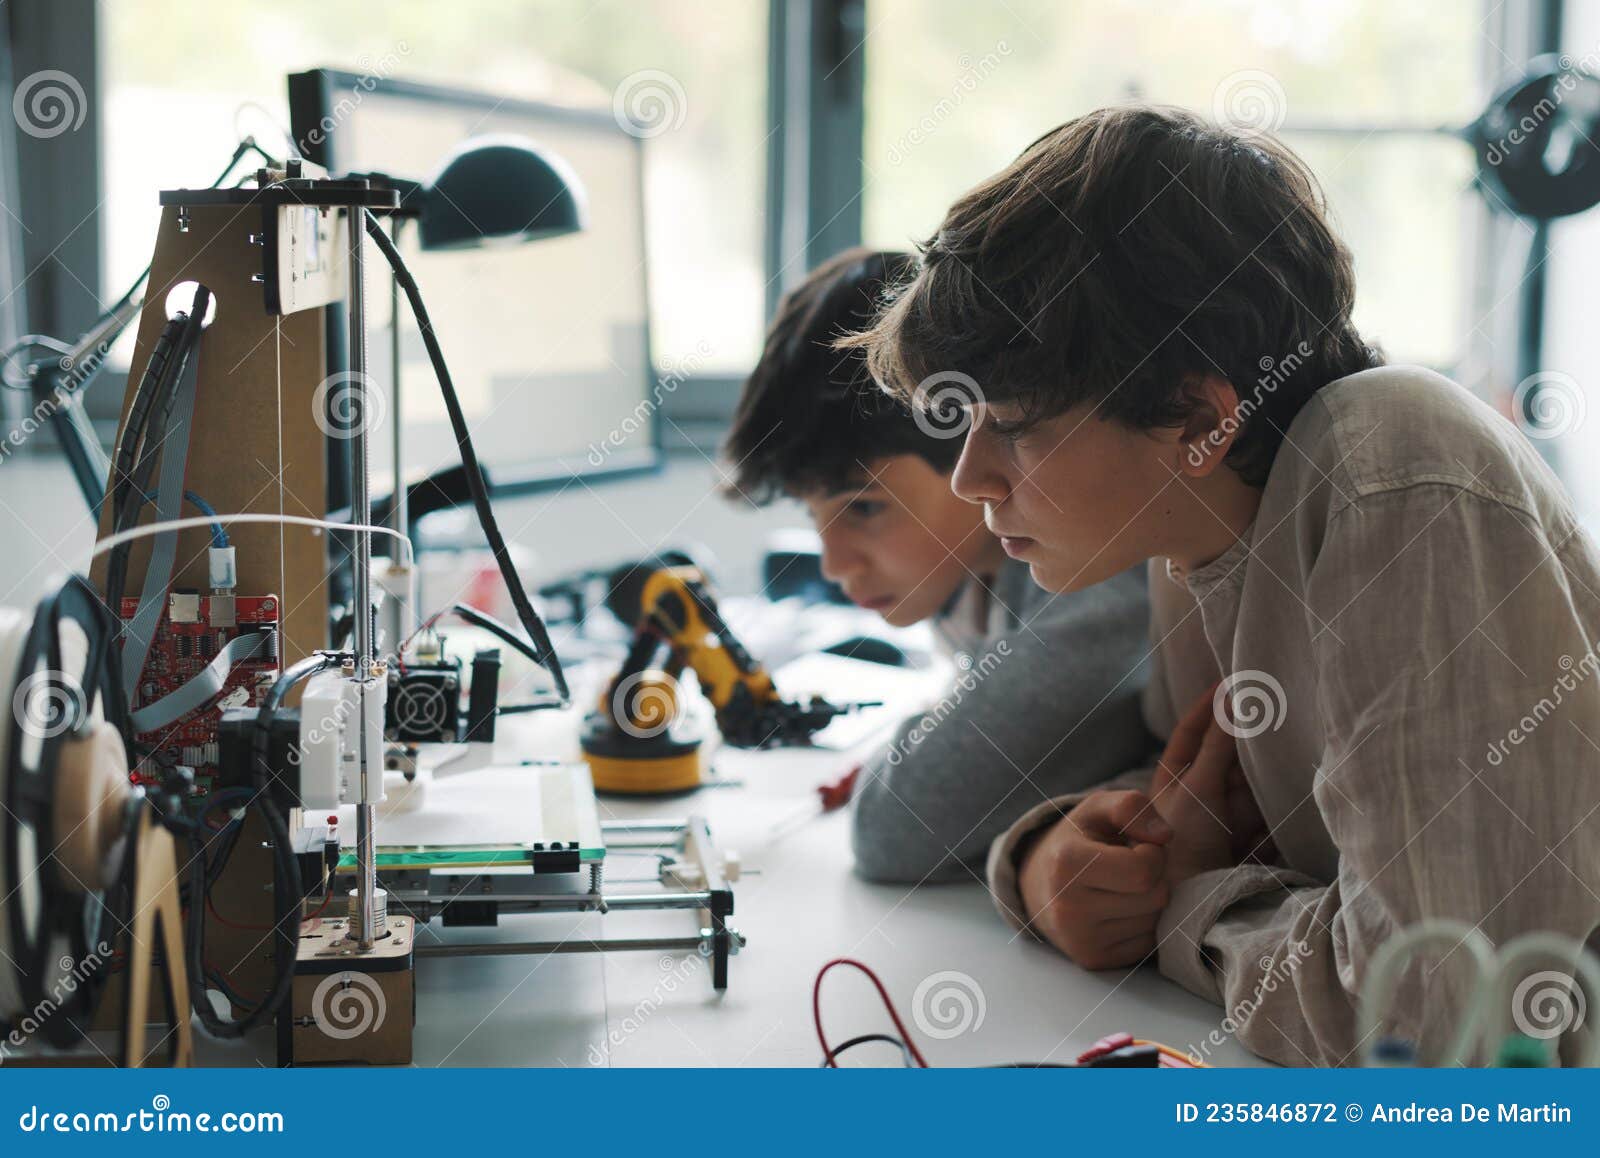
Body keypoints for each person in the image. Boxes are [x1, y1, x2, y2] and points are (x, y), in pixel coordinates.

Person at [845, 104, 1600, 1065]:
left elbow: (1431, 1024)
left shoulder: (1391, 468)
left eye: (1017, 423)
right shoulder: (1194, 536)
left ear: (1197, 417)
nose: (970, 479)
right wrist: (1043, 861)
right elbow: (1195, 809)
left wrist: (1181, 910)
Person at [723, 247, 1152, 883]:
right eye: (815, 517)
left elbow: (894, 828)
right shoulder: (974, 584)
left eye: (865, 509)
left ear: (975, 445)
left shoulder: (1097, 580)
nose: (835, 564)